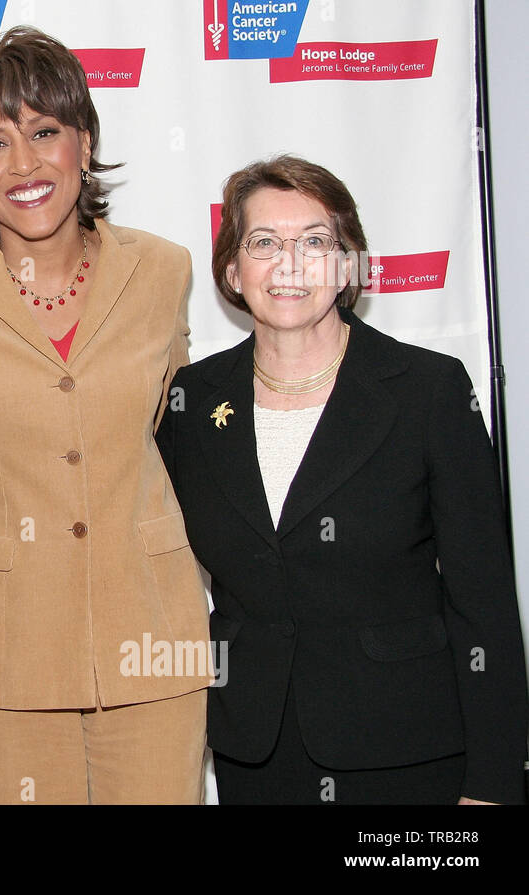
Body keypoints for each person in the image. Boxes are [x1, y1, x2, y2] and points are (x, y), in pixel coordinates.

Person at [0, 27, 211, 804]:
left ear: (84, 143)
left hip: (154, 641)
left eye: (44, 133)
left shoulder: (163, 269)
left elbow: (179, 435)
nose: (23, 166)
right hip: (6, 651)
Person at [156, 154, 529, 804]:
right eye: (265, 242)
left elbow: (486, 603)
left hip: (407, 750)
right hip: (258, 751)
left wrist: (494, 784)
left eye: (316, 242)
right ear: (232, 269)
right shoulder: (192, 399)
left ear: (349, 264)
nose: (291, 263)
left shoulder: (428, 392)